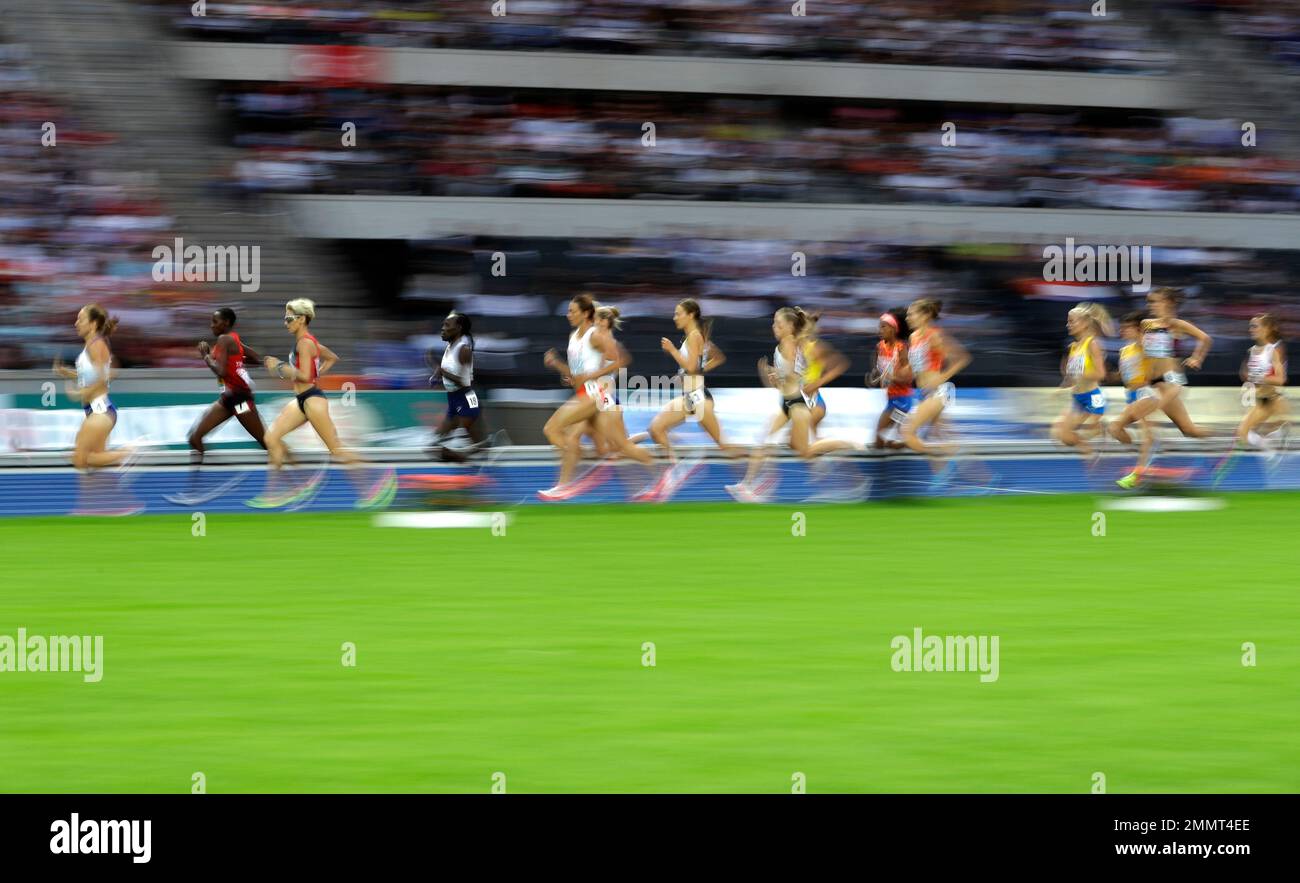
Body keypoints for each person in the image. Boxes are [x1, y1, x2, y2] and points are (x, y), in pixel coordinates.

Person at [249, 298, 395, 509]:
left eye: (289, 318)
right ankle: (274, 492)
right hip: (301, 400)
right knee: (271, 438)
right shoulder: (308, 342)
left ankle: (379, 478)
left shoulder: (305, 343)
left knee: (336, 450)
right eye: (285, 318)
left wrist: (279, 367)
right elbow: (331, 357)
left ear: (301, 319)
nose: (285, 322)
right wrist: (315, 373)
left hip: (312, 400)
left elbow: (305, 375)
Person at [726, 307, 856, 502]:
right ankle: (746, 486)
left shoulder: (794, 345)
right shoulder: (778, 348)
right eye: (773, 323)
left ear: (790, 327)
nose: (774, 327)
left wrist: (778, 374)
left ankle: (845, 443)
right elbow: (778, 386)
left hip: (798, 403)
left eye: (779, 324)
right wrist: (768, 374)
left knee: (805, 450)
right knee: (765, 440)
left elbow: (795, 375)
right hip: (786, 402)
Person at [53, 305, 140, 515]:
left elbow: (105, 378)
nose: (76, 323)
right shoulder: (92, 345)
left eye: (80, 319)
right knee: (93, 462)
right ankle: (98, 507)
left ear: (93, 324)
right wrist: (69, 374)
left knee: (80, 459)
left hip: (100, 410)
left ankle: (129, 453)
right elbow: (92, 374)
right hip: (96, 411)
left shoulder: (96, 344)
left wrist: (79, 393)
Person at [900, 298, 970, 460]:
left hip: (938, 392)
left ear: (924, 316)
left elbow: (962, 358)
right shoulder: (913, 337)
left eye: (911, 314)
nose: (907, 318)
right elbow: (916, 366)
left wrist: (943, 377)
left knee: (907, 433)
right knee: (938, 435)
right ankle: (980, 476)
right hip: (924, 393)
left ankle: (949, 453)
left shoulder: (935, 335)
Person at [428, 312, 501, 462]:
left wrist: (442, 372)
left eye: (447, 325)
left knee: (462, 449)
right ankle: (486, 448)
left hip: (466, 399)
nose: (442, 328)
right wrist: (436, 374)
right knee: (436, 447)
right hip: (455, 399)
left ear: (458, 328)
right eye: (443, 324)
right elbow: (445, 368)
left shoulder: (464, 350)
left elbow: (464, 381)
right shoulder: (450, 348)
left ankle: (484, 452)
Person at [1051, 302, 1113, 461]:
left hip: (1092, 398)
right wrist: (1063, 386)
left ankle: (1094, 438)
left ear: (1085, 323)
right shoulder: (1073, 347)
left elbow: (1100, 374)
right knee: (1060, 436)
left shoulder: (1092, 344)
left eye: (1071, 321)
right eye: (1067, 321)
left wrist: (1079, 373)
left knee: (1066, 435)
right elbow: (1072, 377)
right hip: (1077, 398)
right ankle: (1090, 444)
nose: (1067, 325)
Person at [1111, 312, 1158, 489]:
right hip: (1130, 395)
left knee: (1147, 434)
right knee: (1114, 428)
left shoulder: (1145, 344)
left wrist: (1143, 329)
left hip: (1144, 394)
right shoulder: (1124, 350)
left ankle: (1138, 473)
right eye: (1121, 327)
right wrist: (1110, 375)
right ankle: (1144, 456)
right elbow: (1123, 376)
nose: (1122, 331)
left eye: (1126, 327)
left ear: (1138, 329)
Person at [870, 309, 913, 449]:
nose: (879, 330)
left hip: (902, 400)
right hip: (890, 398)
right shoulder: (879, 346)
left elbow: (908, 378)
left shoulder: (901, 348)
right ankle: (905, 435)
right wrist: (875, 376)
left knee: (880, 439)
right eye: (879, 327)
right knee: (886, 441)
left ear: (893, 329)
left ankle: (908, 436)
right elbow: (877, 368)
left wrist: (890, 377)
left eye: (884, 326)